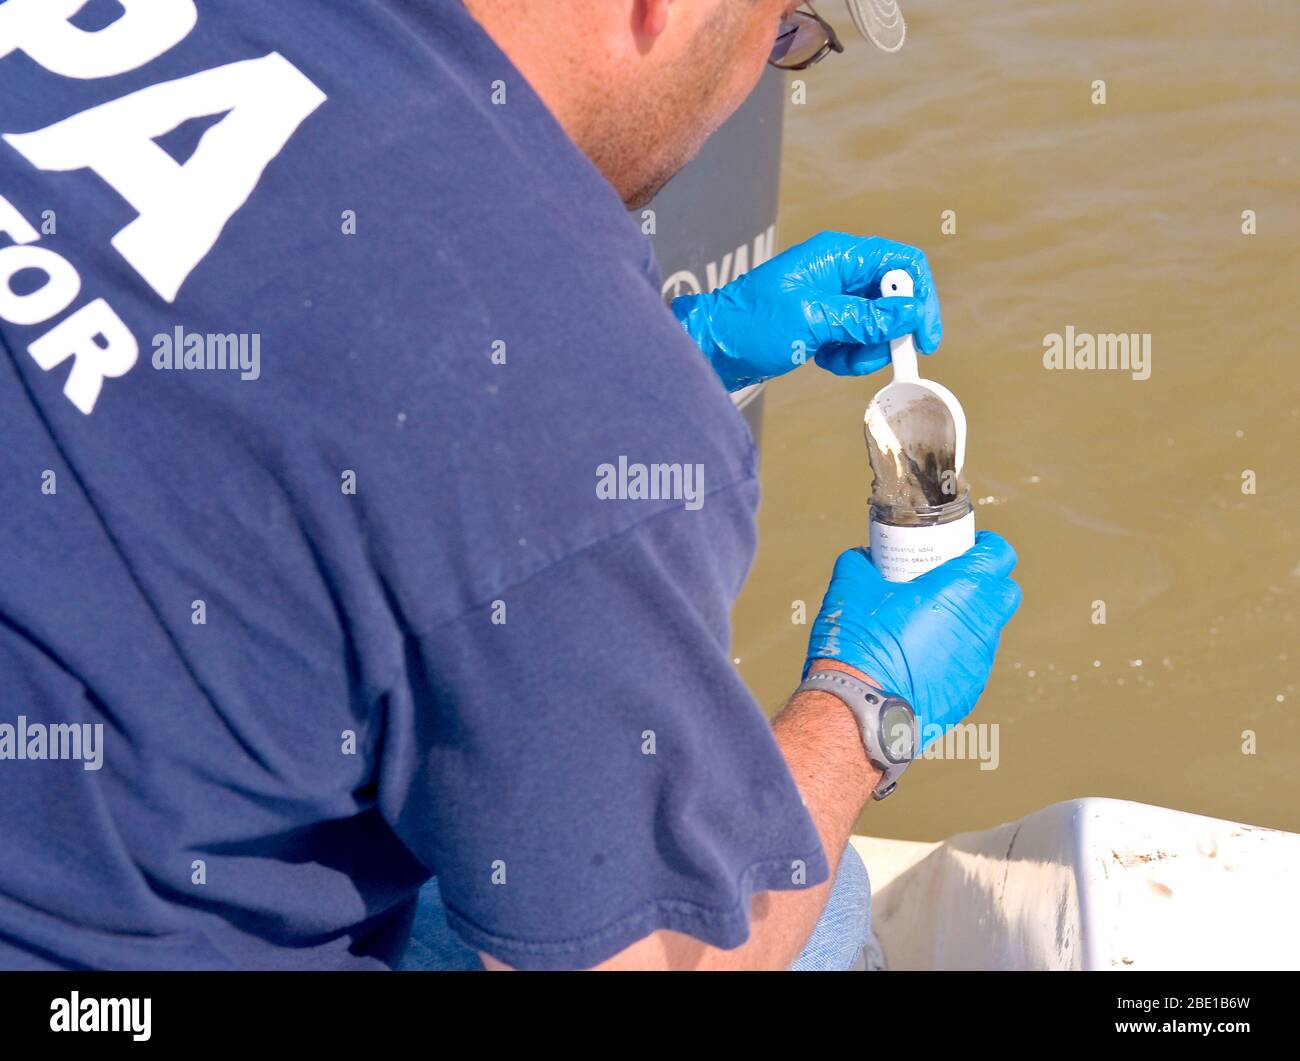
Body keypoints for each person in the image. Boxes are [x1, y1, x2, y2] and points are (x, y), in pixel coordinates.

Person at [0, 0, 1018, 971]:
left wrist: (676, 351)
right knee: (802, 892)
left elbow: (247, 382)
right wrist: (863, 707)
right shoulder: (570, 412)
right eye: (782, 31)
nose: (762, 76)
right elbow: (661, 957)